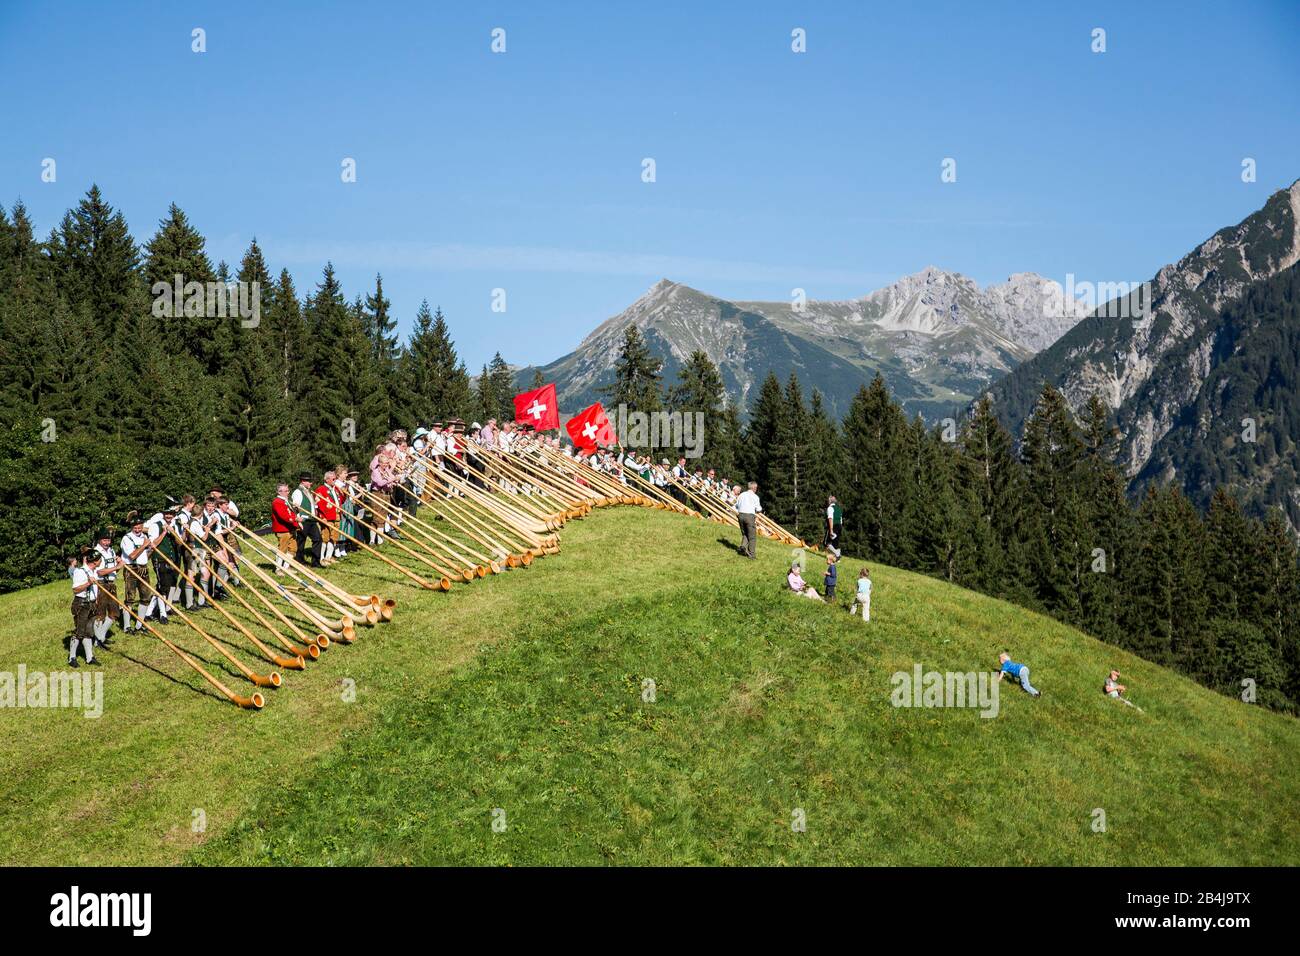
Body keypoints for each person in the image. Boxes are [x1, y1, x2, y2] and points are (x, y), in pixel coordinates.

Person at [119, 512, 158, 631]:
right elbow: (132, 556)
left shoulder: (144, 537)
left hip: (143, 568)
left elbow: (146, 556)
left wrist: (151, 549)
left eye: (140, 527)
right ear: (132, 528)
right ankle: (127, 626)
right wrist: (144, 545)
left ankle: (139, 625)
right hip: (131, 568)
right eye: (135, 528)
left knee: (146, 596)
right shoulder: (127, 538)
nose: (137, 530)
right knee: (130, 597)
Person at [68, 548, 102, 667]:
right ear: (95, 561)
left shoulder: (93, 571)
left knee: (89, 631)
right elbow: (75, 589)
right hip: (81, 604)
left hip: (92, 604)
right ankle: (72, 657)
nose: (100, 561)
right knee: (79, 632)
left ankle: (89, 657)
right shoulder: (80, 571)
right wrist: (88, 583)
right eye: (99, 559)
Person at [91, 528, 121, 645]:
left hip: (111, 584)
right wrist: (116, 567)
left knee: (114, 613)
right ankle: (97, 641)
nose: (107, 542)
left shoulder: (111, 551)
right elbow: (99, 572)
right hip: (100, 585)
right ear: (99, 540)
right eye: (104, 540)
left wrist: (118, 564)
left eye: (108, 540)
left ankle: (101, 637)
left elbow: (114, 571)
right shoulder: (96, 552)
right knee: (100, 614)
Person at [291, 473, 322, 566]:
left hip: (311, 520)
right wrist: (298, 520)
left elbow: (310, 505)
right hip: (303, 521)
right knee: (301, 541)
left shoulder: (308, 491)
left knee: (318, 539)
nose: (311, 483)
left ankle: (316, 562)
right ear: (302, 481)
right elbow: (295, 507)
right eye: (309, 481)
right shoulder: (297, 492)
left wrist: (315, 502)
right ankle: (299, 560)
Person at [270, 482, 300, 575]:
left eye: (287, 490)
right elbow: (283, 516)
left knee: (293, 548)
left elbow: (290, 513)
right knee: (282, 549)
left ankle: (286, 567)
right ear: (278, 492)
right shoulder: (277, 502)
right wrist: (296, 519)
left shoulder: (286, 501)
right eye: (284, 491)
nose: (287, 493)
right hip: (282, 529)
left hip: (290, 528)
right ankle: (278, 568)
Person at [735, 481, 761, 559]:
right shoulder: (755, 497)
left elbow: (737, 506)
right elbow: (758, 509)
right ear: (754, 488)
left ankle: (743, 546)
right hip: (749, 516)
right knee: (752, 536)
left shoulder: (741, 495)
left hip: (740, 515)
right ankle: (751, 555)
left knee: (745, 533)